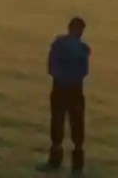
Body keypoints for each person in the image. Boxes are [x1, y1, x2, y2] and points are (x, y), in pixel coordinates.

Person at [38, 16, 90, 174]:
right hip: (73, 89)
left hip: (62, 87)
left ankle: (56, 161)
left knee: (59, 123)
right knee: (75, 125)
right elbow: (84, 72)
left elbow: (51, 67)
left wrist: (61, 76)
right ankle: (76, 164)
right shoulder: (82, 49)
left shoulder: (60, 44)